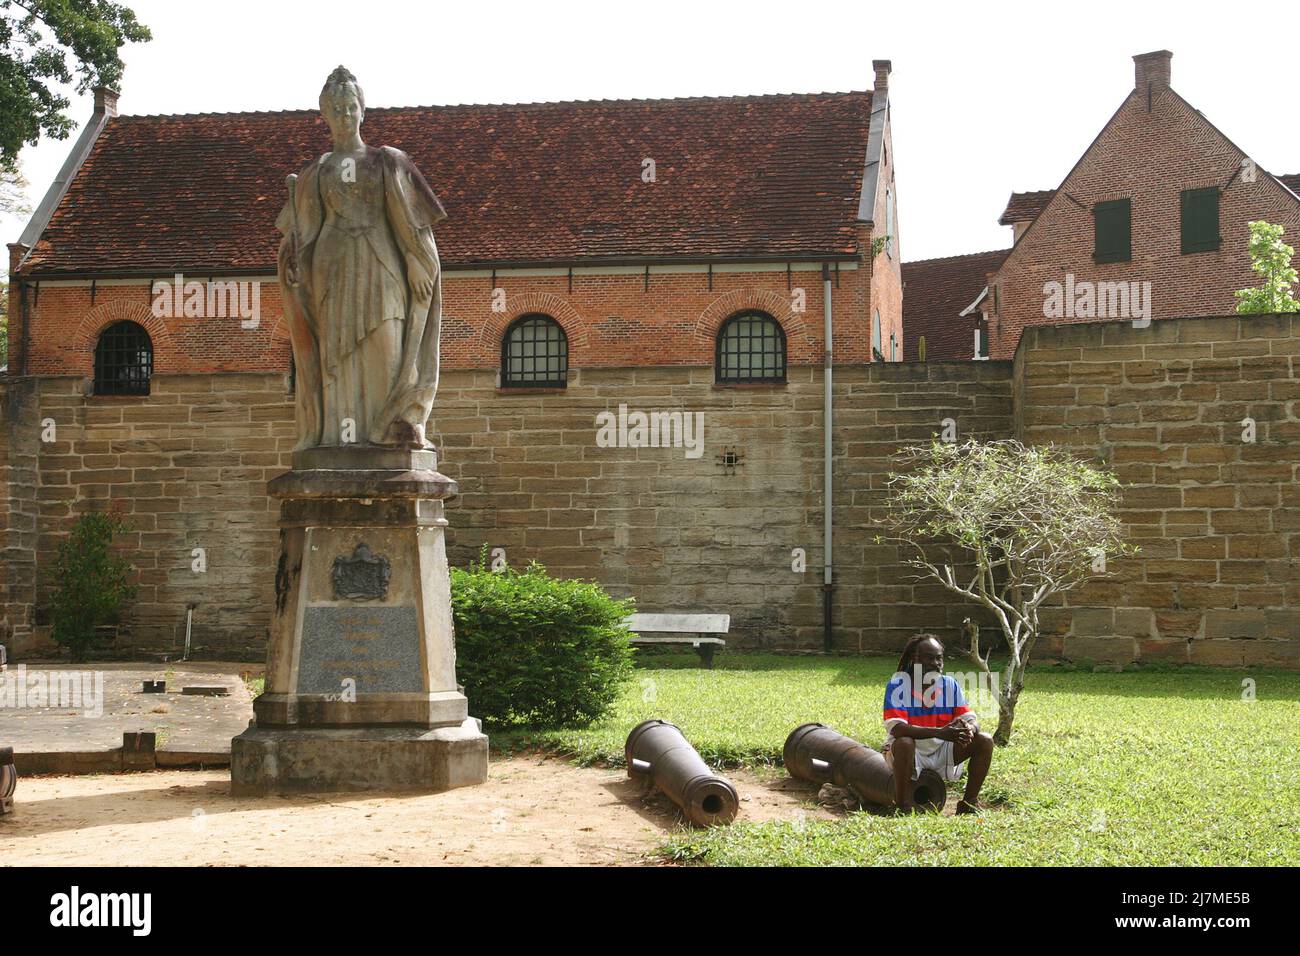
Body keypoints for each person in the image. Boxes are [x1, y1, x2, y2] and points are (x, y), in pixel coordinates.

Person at [882, 633, 994, 814]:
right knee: (904, 742)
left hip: (942, 750)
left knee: (985, 740)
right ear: (913, 658)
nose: (935, 663)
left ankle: (969, 803)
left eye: (939, 658)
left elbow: (971, 719)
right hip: (910, 753)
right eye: (928, 658)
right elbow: (897, 728)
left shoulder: (950, 685)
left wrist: (969, 729)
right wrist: (939, 732)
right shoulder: (898, 686)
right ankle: (902, 805)